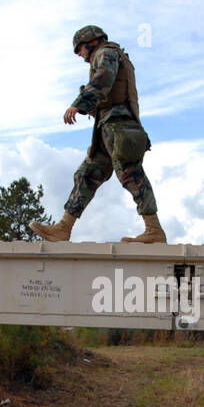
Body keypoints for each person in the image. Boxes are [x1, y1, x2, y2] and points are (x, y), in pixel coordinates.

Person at [30, 25, 165, 244]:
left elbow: (104, 79)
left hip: (119, 126)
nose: (79, 55)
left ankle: (154, 230)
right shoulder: (106, 54)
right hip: (107, 127)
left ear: (91, 42)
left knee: (131, 174)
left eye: (79, 49)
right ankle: (63, 228)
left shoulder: (106, 52)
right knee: (87, 174)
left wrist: (79, 104)